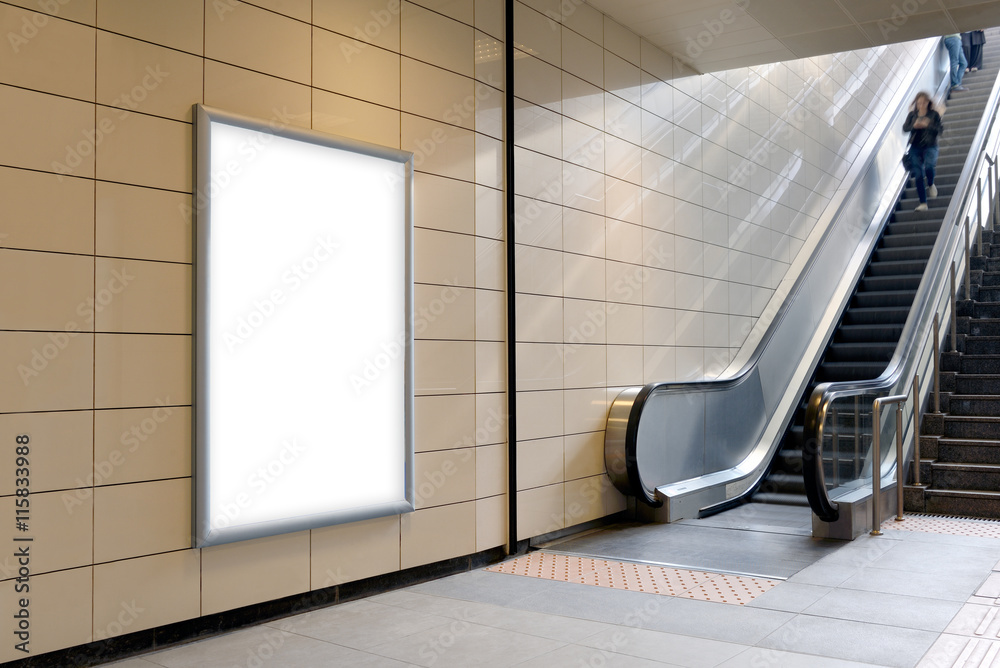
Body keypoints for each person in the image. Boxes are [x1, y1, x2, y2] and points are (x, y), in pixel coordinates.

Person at [903, 91, 943, 211]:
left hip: (930, 146)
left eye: (924, 102)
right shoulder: (912, 115)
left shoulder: (934, 114)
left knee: (929, 167)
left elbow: (940, 130)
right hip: (915, 147)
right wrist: (913, 126)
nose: (921, 105)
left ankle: (930, 183)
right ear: (916, 103)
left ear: (928, 102)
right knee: (918, 174)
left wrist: (928, 124)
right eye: (919, 103)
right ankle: (923, 203)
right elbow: (905, 128)